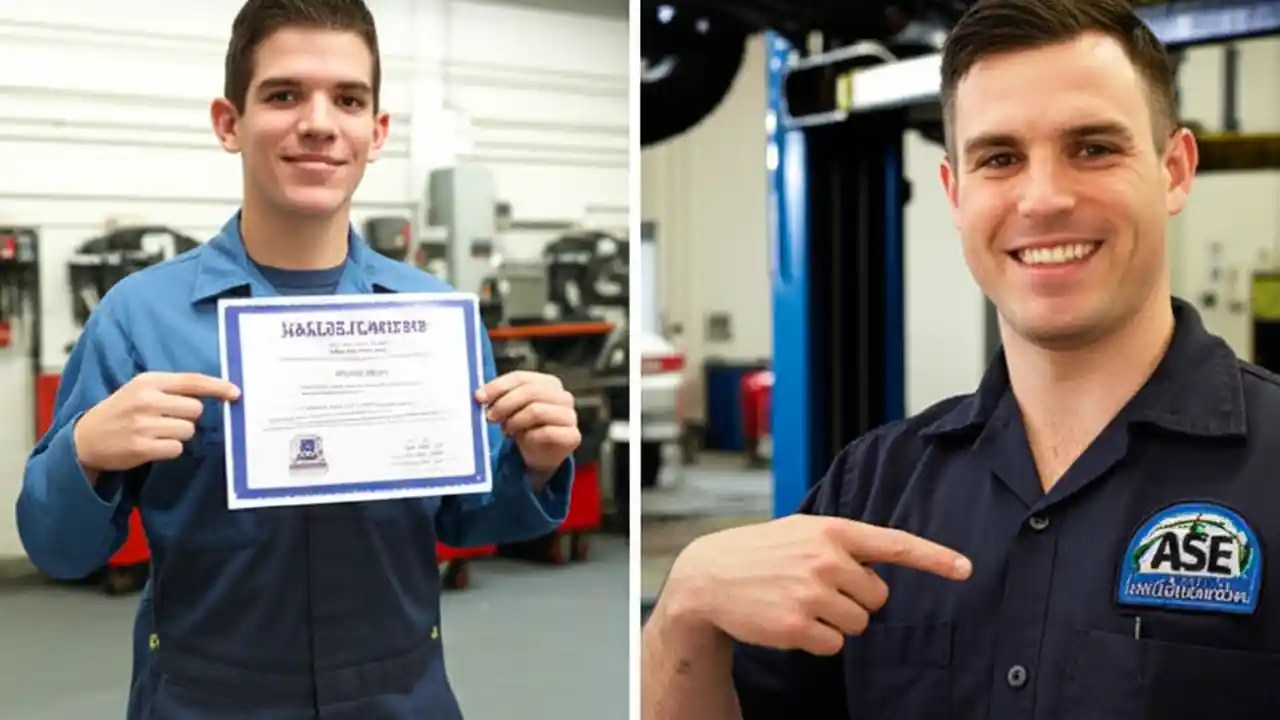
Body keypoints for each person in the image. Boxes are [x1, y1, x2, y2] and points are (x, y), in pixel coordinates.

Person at [642, 0, 1280, 718]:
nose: (1043, 200)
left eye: (1093, 148)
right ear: (955, 192)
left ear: (1174, 170)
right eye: (1000, 158)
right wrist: (681, 618)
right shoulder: (872, 488)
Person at [16, 1, 580, 718]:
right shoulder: (139, 317)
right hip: (207, 701)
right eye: (284, 95)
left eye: (347, 99)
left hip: (399, 698)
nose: (319, 122)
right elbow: (60, 550)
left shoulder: (431, 317)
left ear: (376, 133)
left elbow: (467, 520)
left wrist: (533, 460)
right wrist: (85, 454)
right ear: (229, 122)